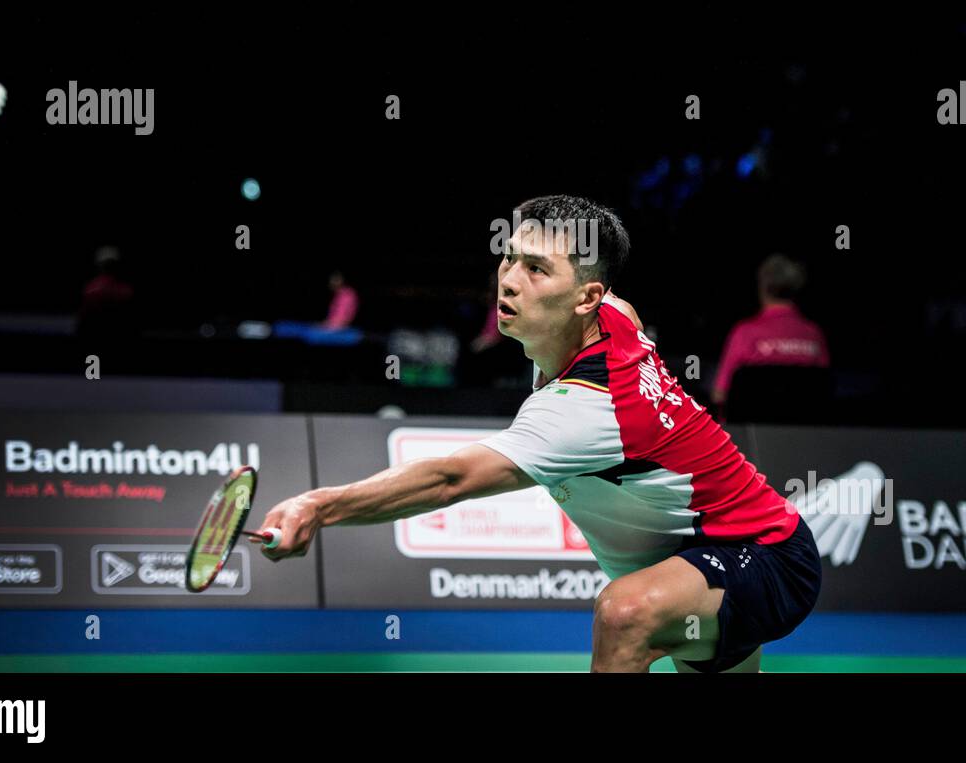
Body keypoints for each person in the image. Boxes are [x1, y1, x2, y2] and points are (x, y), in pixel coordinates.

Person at [252, 195, 821, 673]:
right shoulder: (610, 316)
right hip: (693, 563)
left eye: (537, 269)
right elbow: (628, 309)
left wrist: (318, 506)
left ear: (586, 298)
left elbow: (450, 480)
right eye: (509, 258)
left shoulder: (586, 409)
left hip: (762, 556)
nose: (509, 281)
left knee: (623, 615)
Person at [711, 253, 830, 408]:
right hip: (805, 430)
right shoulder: (815, 335)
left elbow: (719, 395)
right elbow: (826, 393)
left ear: (763, 286)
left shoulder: (745, 333)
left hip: (754, 429)